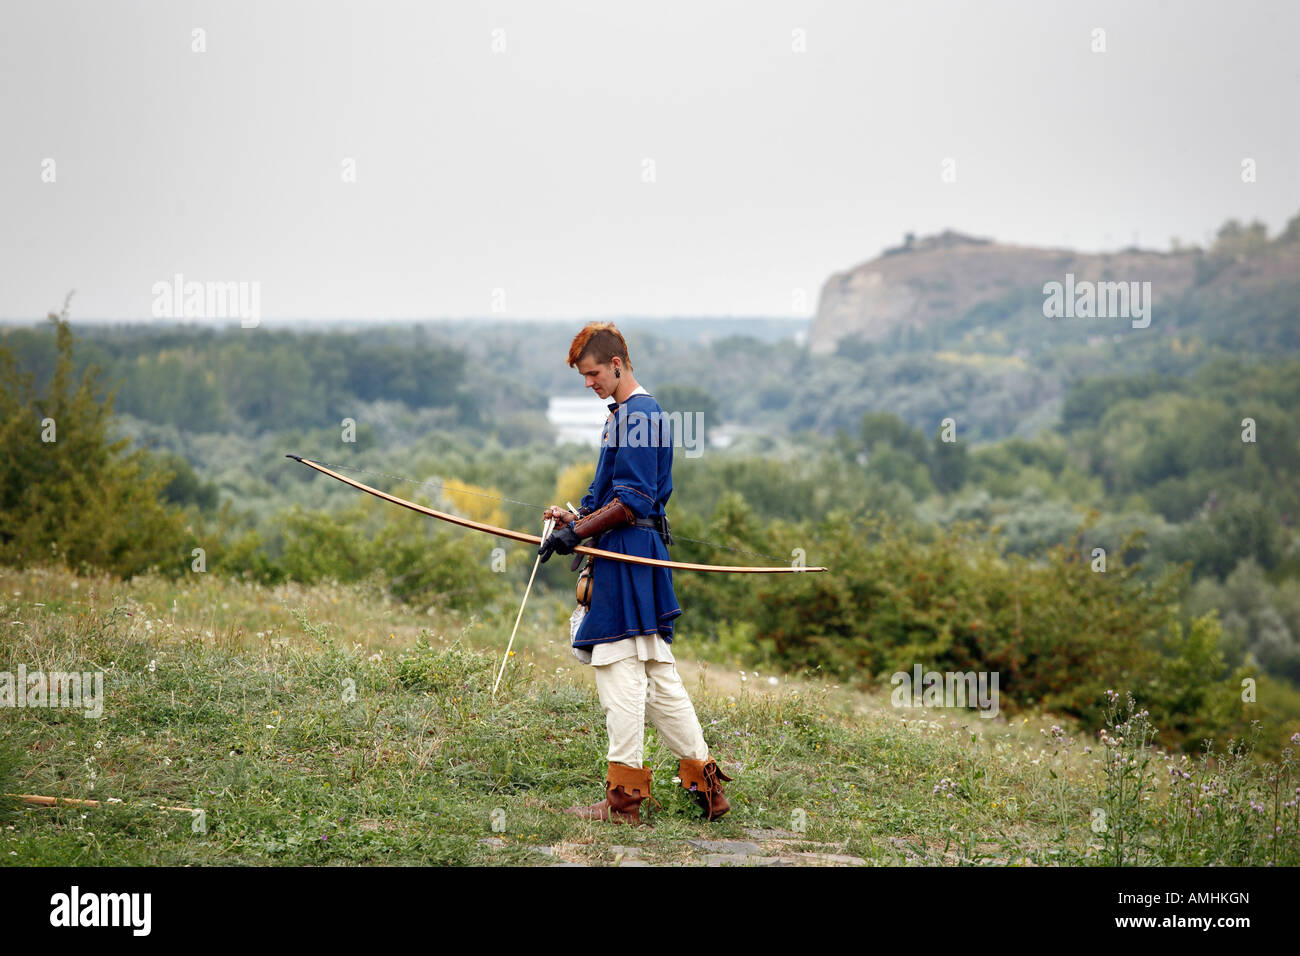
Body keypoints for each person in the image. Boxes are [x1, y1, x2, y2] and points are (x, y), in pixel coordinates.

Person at [538, 321, 732, 825]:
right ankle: (710, 789)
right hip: (626, 550)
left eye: (593, 372)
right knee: (656, 674)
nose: (589, 382)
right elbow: (612, 495)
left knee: (618, 669)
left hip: (629, 555)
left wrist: (578, 536)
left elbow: (635, 499)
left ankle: (623, 803)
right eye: (583, 375)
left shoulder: (641, 415)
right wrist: (574, 521)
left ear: (618, 364)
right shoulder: (624, 415)